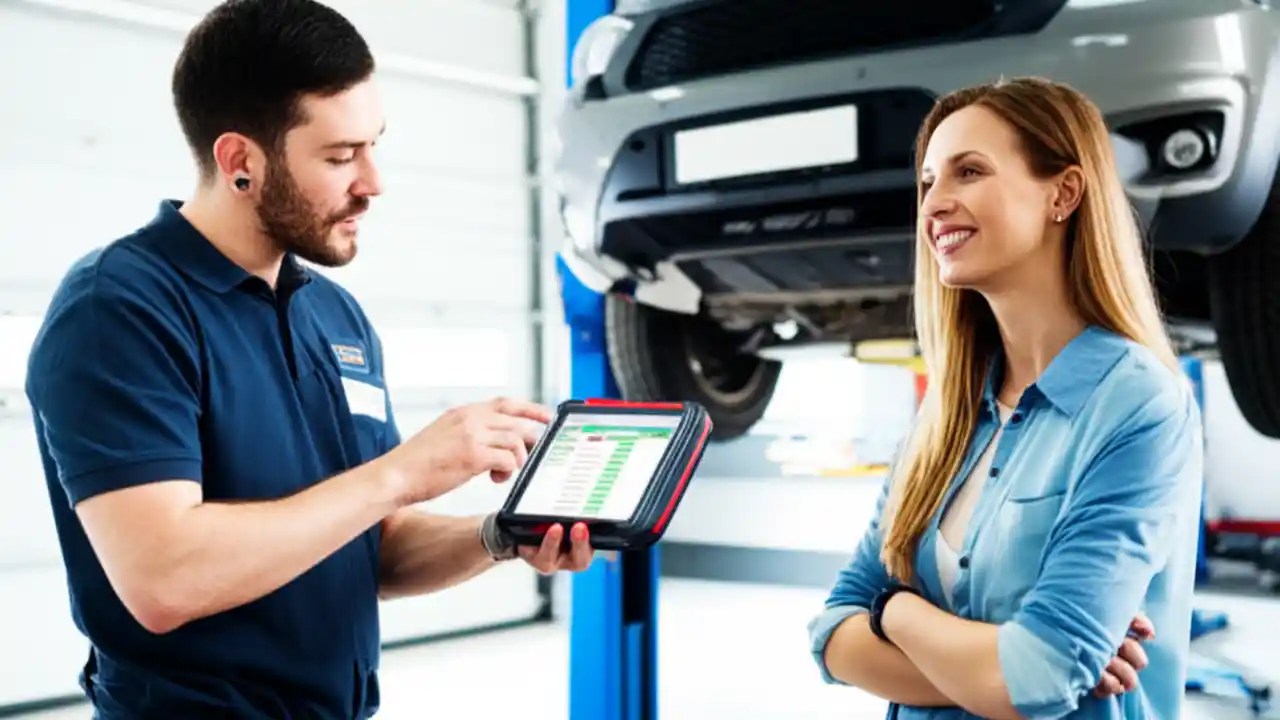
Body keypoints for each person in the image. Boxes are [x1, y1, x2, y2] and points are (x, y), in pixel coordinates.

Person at [24, 1, 592, 717]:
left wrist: (501, 535)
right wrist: (402, 472)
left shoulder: (334, 314)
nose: (373, 182)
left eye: (373, 145)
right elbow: (164, 579)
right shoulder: (118, 309)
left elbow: (372, 545)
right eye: (340, 156)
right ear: (241, 162)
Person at [807, 77, 1204, 719]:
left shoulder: (1137, 404)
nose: (935, 204)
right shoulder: (948, 411)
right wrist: (996, 668)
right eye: (928, 182)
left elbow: (1036, 678)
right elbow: (832, 633)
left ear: (1063, 194)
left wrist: (894, 611)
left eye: (969, 171)